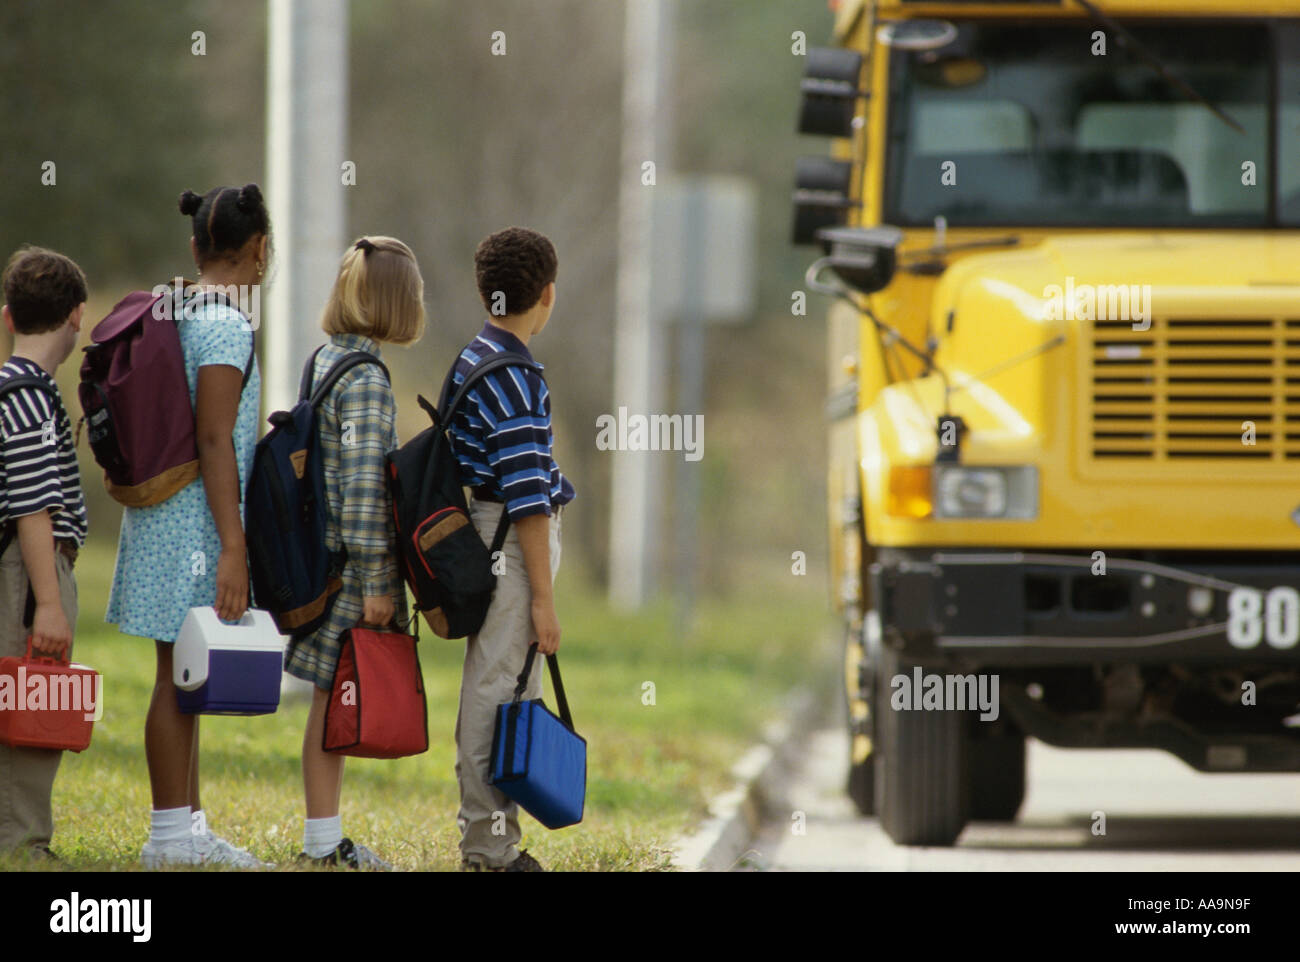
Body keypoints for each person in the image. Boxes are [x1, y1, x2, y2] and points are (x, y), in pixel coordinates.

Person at [106, 185, 270, 869]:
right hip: (199, 523)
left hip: (161, 511)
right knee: (179, 678)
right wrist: (234, 547)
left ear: (195, 249)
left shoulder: (180, 307)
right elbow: (213, 440)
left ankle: (190, 828)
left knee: (184, 671)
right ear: (259, 250)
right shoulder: (227, 326)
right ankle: (168, 839)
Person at [288, 236, 425, 871]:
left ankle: (323, 836)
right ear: (399, 303)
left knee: (326, 696)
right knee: (333, 700)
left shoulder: (325, 360)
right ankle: (323, 843)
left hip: (321, 557)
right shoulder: (367, 380)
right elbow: (365, 488)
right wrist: (377, 581)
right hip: (351, 570)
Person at [446, 227, 575, 872]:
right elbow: (526, 496)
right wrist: (544, 602)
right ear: (546, 294)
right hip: (510, 548)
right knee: (497, 693)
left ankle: (498, 840)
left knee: (501, 687)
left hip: (487, 538)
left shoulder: (476, 354)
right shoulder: (515, 377)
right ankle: (489, 852)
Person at [0, 246, 88, 860]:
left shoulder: (15, 388)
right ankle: (23, 842)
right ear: (78, 316)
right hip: (27, 574)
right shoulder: (28, 398)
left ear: (8, 316)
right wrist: (49, 603)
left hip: (24, 571)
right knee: (30, 707)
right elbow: (32, 507)